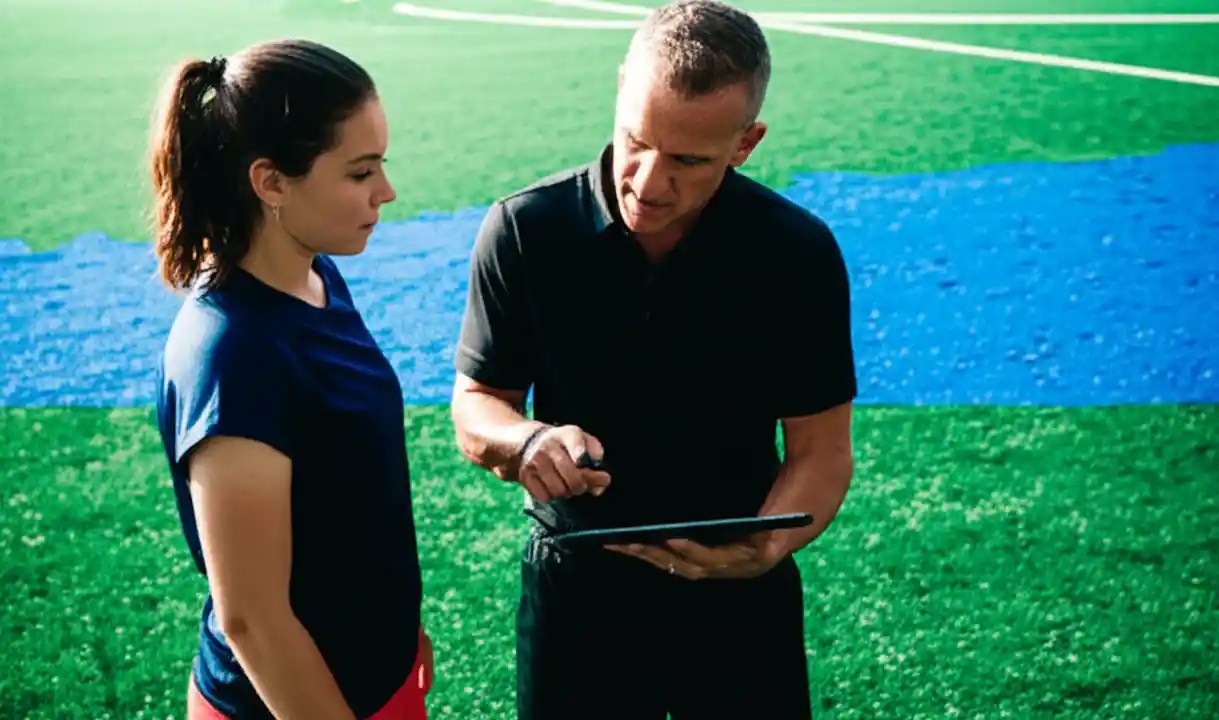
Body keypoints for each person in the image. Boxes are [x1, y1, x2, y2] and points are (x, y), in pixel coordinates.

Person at [450, 2, 856, 717]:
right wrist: (529, 441)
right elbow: (476, 403)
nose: (648, 180)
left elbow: (822, 453)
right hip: (578, 588)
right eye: (636, 140)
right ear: (618, 92)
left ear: (746, 143)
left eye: (688, 159)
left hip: (740, 596)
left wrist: (759, 553)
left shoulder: (796, 254)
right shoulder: (526, 229)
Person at [150, 39, 432, 719]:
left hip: (372, 679)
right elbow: (253, 619)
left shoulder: (313, 275)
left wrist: (395, 639)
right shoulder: (232, 355)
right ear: (271, 182)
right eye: (360, 172)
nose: (385, 192)